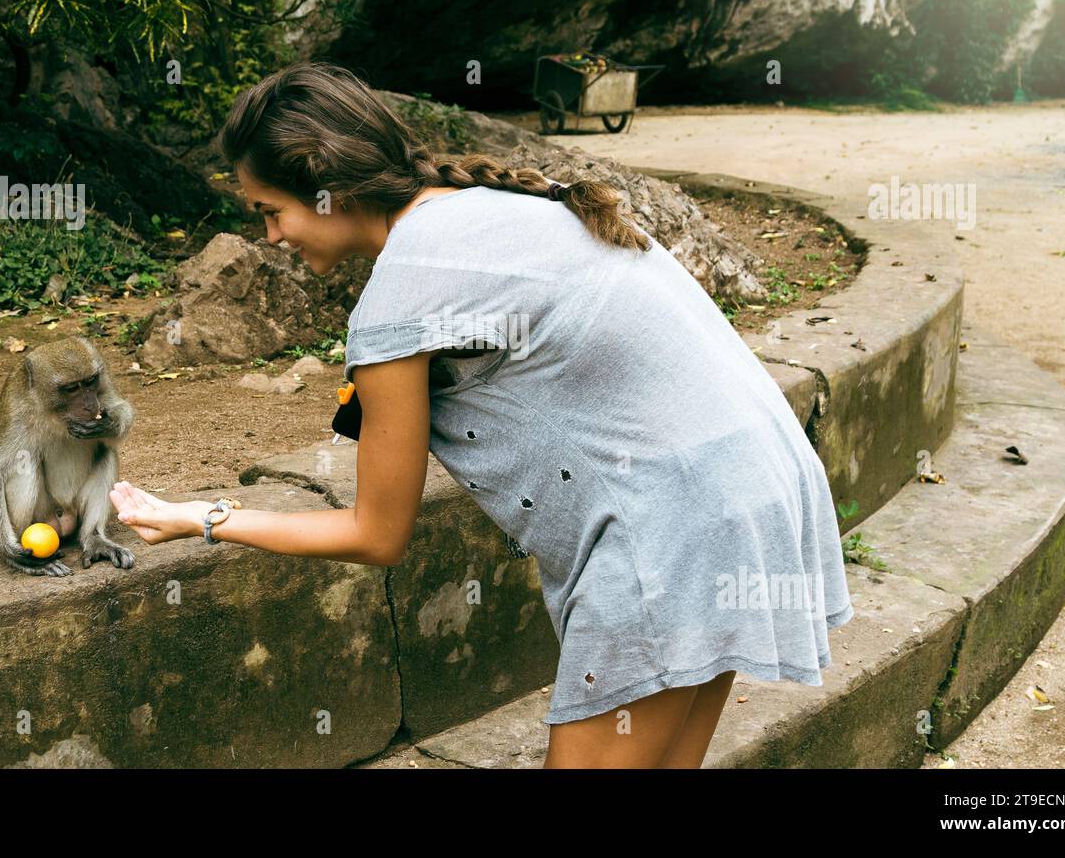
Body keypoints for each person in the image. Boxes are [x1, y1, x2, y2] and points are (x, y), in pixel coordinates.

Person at [109, 60, 855, 769]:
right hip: (756, 488)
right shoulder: (501, 207)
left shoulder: (400, 297)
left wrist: (201, 517)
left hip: (674, 533)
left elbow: (376, 533)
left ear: (322, 181)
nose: (269, 237)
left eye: (269, 212)